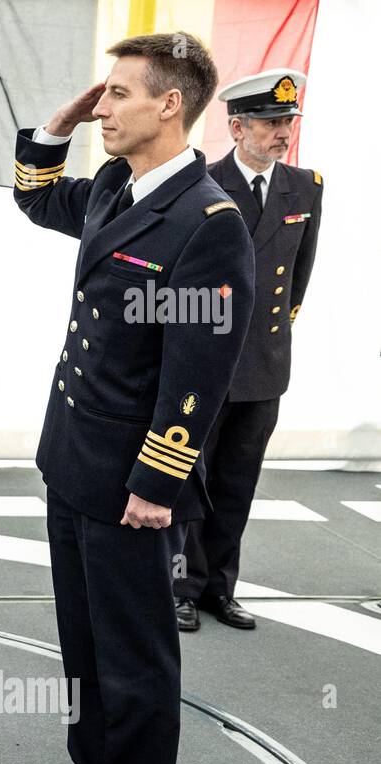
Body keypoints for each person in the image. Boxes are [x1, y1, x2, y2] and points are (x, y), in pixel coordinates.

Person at [6, 33, 254, 764]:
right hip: (74, 455)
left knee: (134, 648)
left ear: (170, 103)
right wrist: (59, 122)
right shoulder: (120, 185)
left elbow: (197, 372)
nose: (102, 108)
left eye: (116, 95)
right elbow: (37, 199)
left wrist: (157, 480)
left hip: (130, 480)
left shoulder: (207, 222)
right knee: (82, 636)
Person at [174, 69, 323, 633]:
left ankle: (220, 590)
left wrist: (275, 332)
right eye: (268, 122)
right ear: (236, 126)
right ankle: (181, 585)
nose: (281, 132)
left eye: (286, 122)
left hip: (264, 362)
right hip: (207, 362)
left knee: (238, 483)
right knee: (191, 482)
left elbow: (298, 274)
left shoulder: (305, 187)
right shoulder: (199, 185)